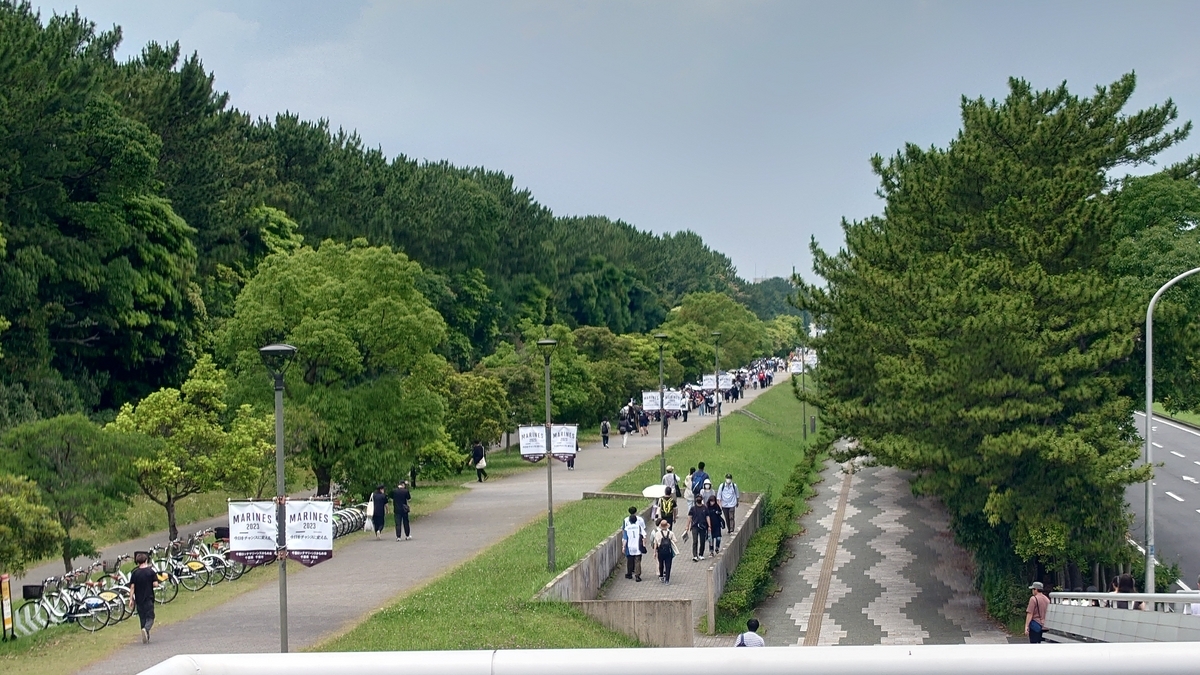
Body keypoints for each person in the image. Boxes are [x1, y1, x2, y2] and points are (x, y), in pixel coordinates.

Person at [128, 551, 159, 643]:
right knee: (150, 617)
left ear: (137, 562)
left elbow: (132, 587)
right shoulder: (151, 572)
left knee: (142, 617)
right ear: (146, 560)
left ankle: (145, 635)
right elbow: (155, 584)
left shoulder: (135, 573)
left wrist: (131, 599)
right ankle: (146, 629)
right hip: (148, 598)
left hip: (139, 599)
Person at [650, 519, 680, 584]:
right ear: (667, 526)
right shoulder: (671, 533)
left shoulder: (657, 533)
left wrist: (654, 552)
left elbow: (655, 544)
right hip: (669, 551)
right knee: (668, 565)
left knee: (661, 564)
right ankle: (667, 580)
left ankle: (661, 576)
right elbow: (675, 541)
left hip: (660, 551)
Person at [622, 506, 646, 582]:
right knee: (637, 560)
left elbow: (625, 539)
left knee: (629, 560)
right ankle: (637, 575)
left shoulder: (627, 528)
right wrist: (644, 544)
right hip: (638, 546)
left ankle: (629, 574)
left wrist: (623, 547)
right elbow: (644, 536)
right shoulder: (639, 527)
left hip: (629, 546)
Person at [688, 496, 709, 561]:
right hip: (695, 526)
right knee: (695, 541)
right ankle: (695, 555)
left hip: (703, 526)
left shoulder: (705, 508)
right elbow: (689, 517)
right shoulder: (693, 508)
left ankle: (701, 554)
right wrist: (687, 526)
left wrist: (709, 526)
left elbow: (707, 517)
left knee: (702, 541)